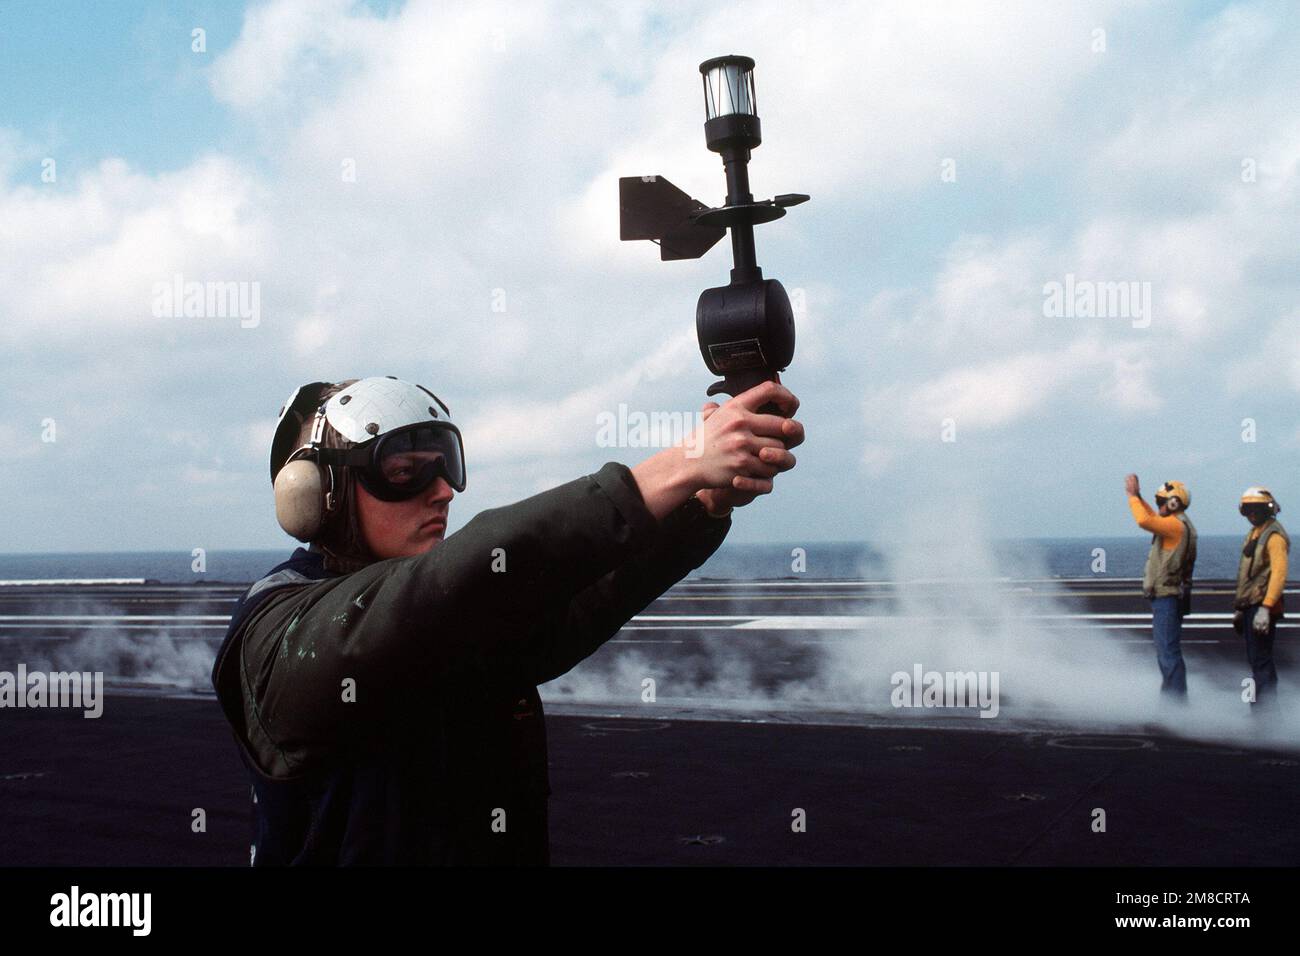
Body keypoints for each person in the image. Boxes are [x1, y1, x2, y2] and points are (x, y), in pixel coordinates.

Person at [212, 374, 804, 864]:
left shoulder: (456, 623)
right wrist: (678, 466)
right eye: (403, 472)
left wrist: (699, 506)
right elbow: (441, 589)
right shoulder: (277, 629)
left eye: (445, 468)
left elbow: (566, 604)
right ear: (320, 493)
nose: (442, 491)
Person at [1124, 475, 1197, 699]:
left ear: (1174, 503)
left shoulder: (1175, 526)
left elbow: (1144, 521)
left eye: (1162, 502)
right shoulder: (1182, 524)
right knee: (1167, 651)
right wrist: (1139, 497)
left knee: (1168, 652)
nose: (1159, 506)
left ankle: (1175, 706)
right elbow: (1153, 517)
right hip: (1170, 596)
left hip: (1167, 596)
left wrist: (1131, 498)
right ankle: (1172, 702)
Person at [1232, 486, 1288, 711]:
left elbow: (1279, 573)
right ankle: (1261, 712)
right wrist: (1240, 608)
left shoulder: (1273, 536)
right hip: (1251, 606)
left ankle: (1266, 715)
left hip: (1262, 607)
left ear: (1268, 509)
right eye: (1247, 509)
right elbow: (1248, 576)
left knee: (1261, 660)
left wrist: (1265, 608)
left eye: (1256, 509)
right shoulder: (1255, 533)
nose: (1251, 514)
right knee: (1256, 661)